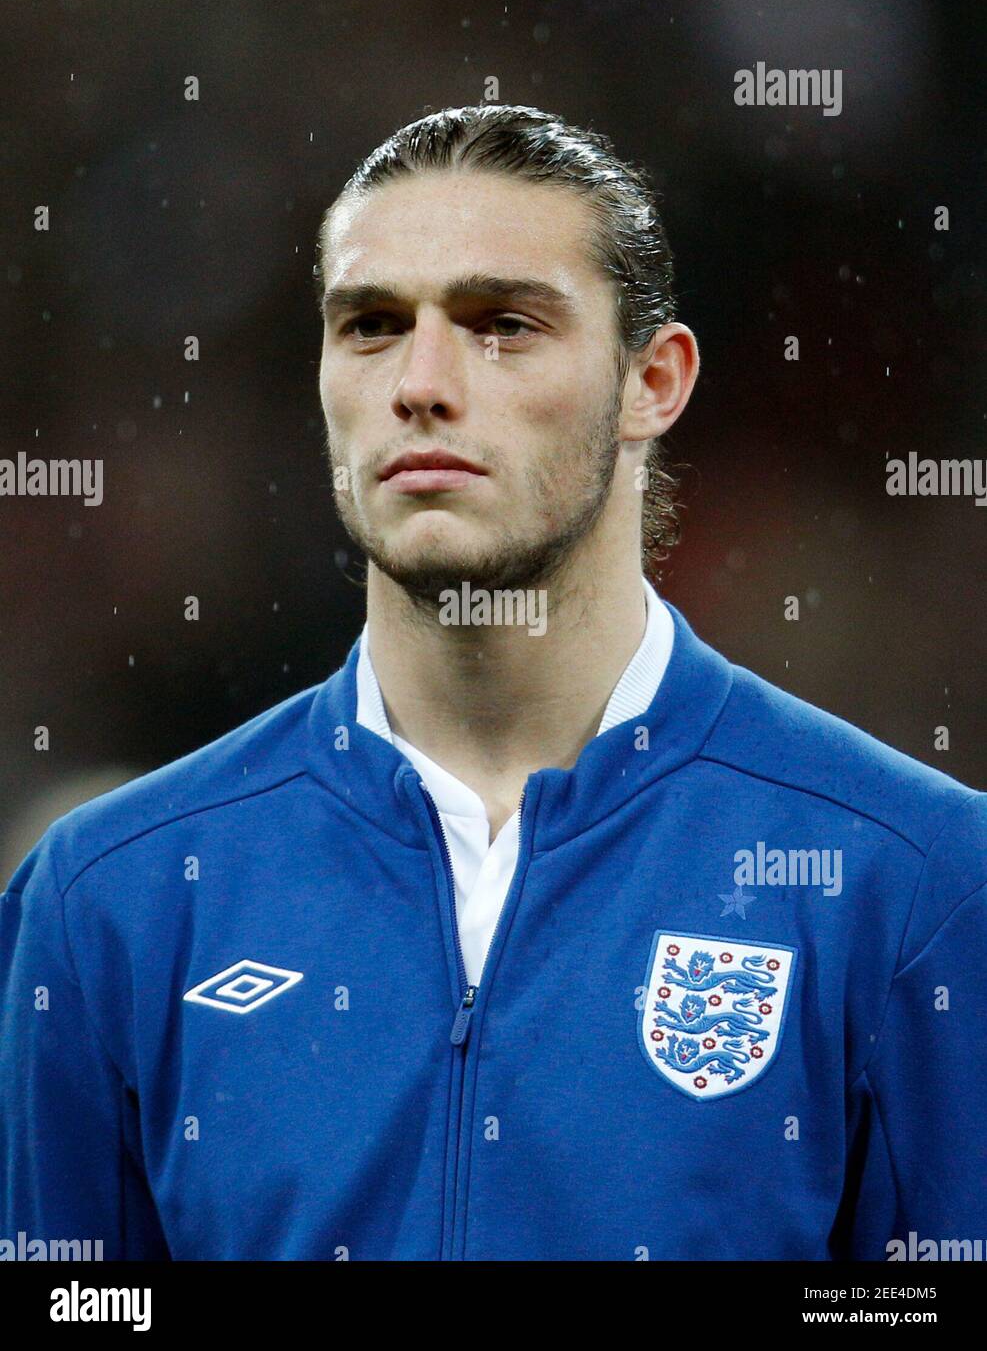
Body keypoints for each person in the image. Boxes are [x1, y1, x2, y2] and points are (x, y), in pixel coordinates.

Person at [2, 105, 984, 1262]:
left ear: (651, 382)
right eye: (371, 325)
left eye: (502, 323)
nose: (421, 382)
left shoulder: (912, 880)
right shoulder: (110, 898)